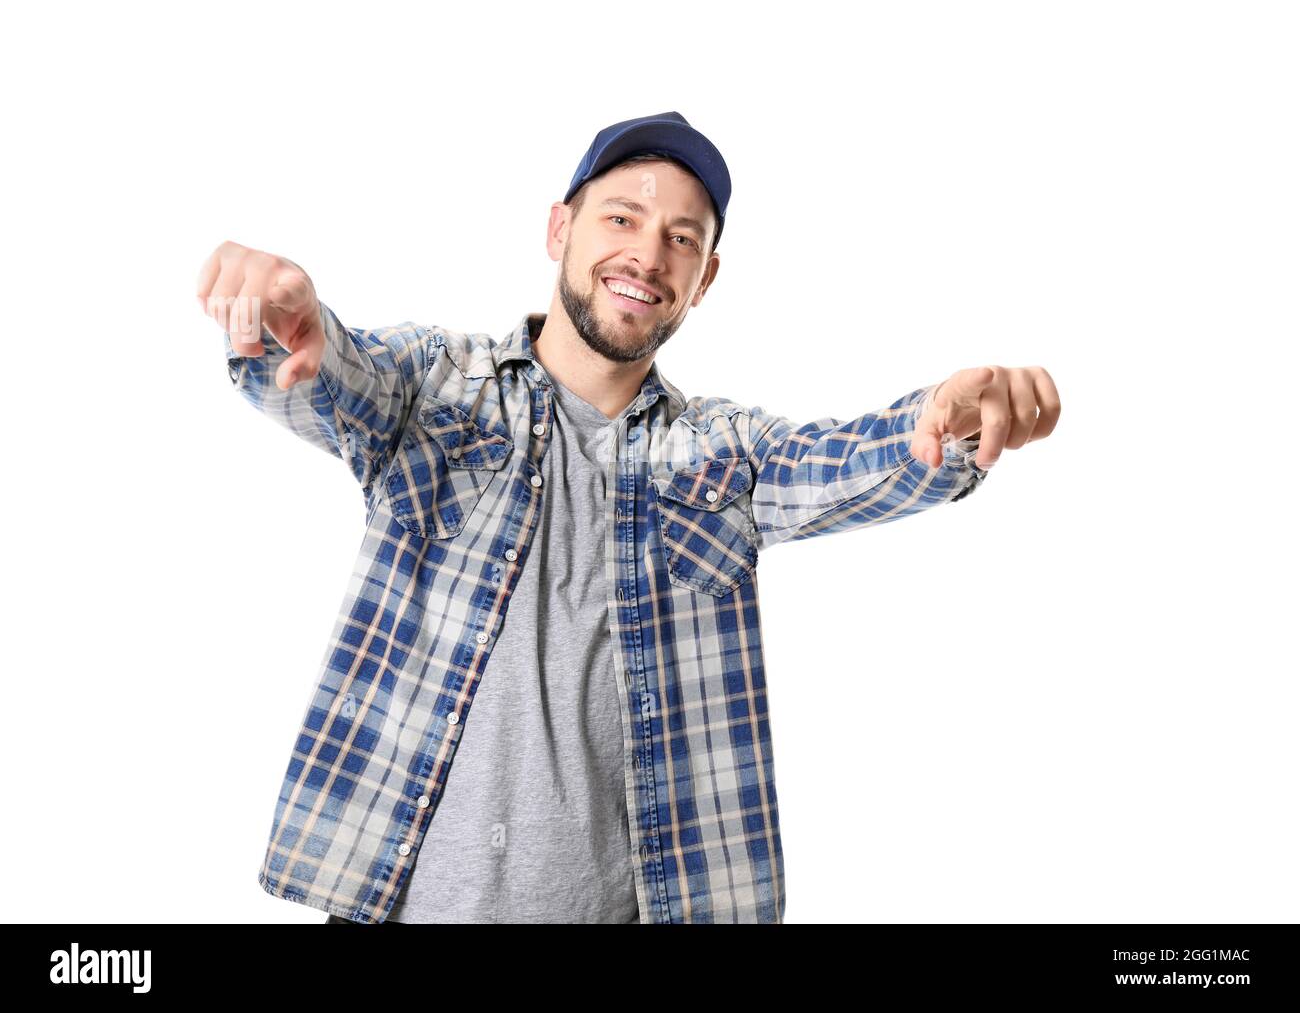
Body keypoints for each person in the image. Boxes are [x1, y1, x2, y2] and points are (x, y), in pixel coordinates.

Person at [197, 111, 1060, 924]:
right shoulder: (436, 389)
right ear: (558, 231)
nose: (648, 253)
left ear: (702, 278)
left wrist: (946, 423)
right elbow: (341, 373)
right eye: (620, 219)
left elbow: (849, 459)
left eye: (681, 238)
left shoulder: (724, 452)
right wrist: (284, 321)